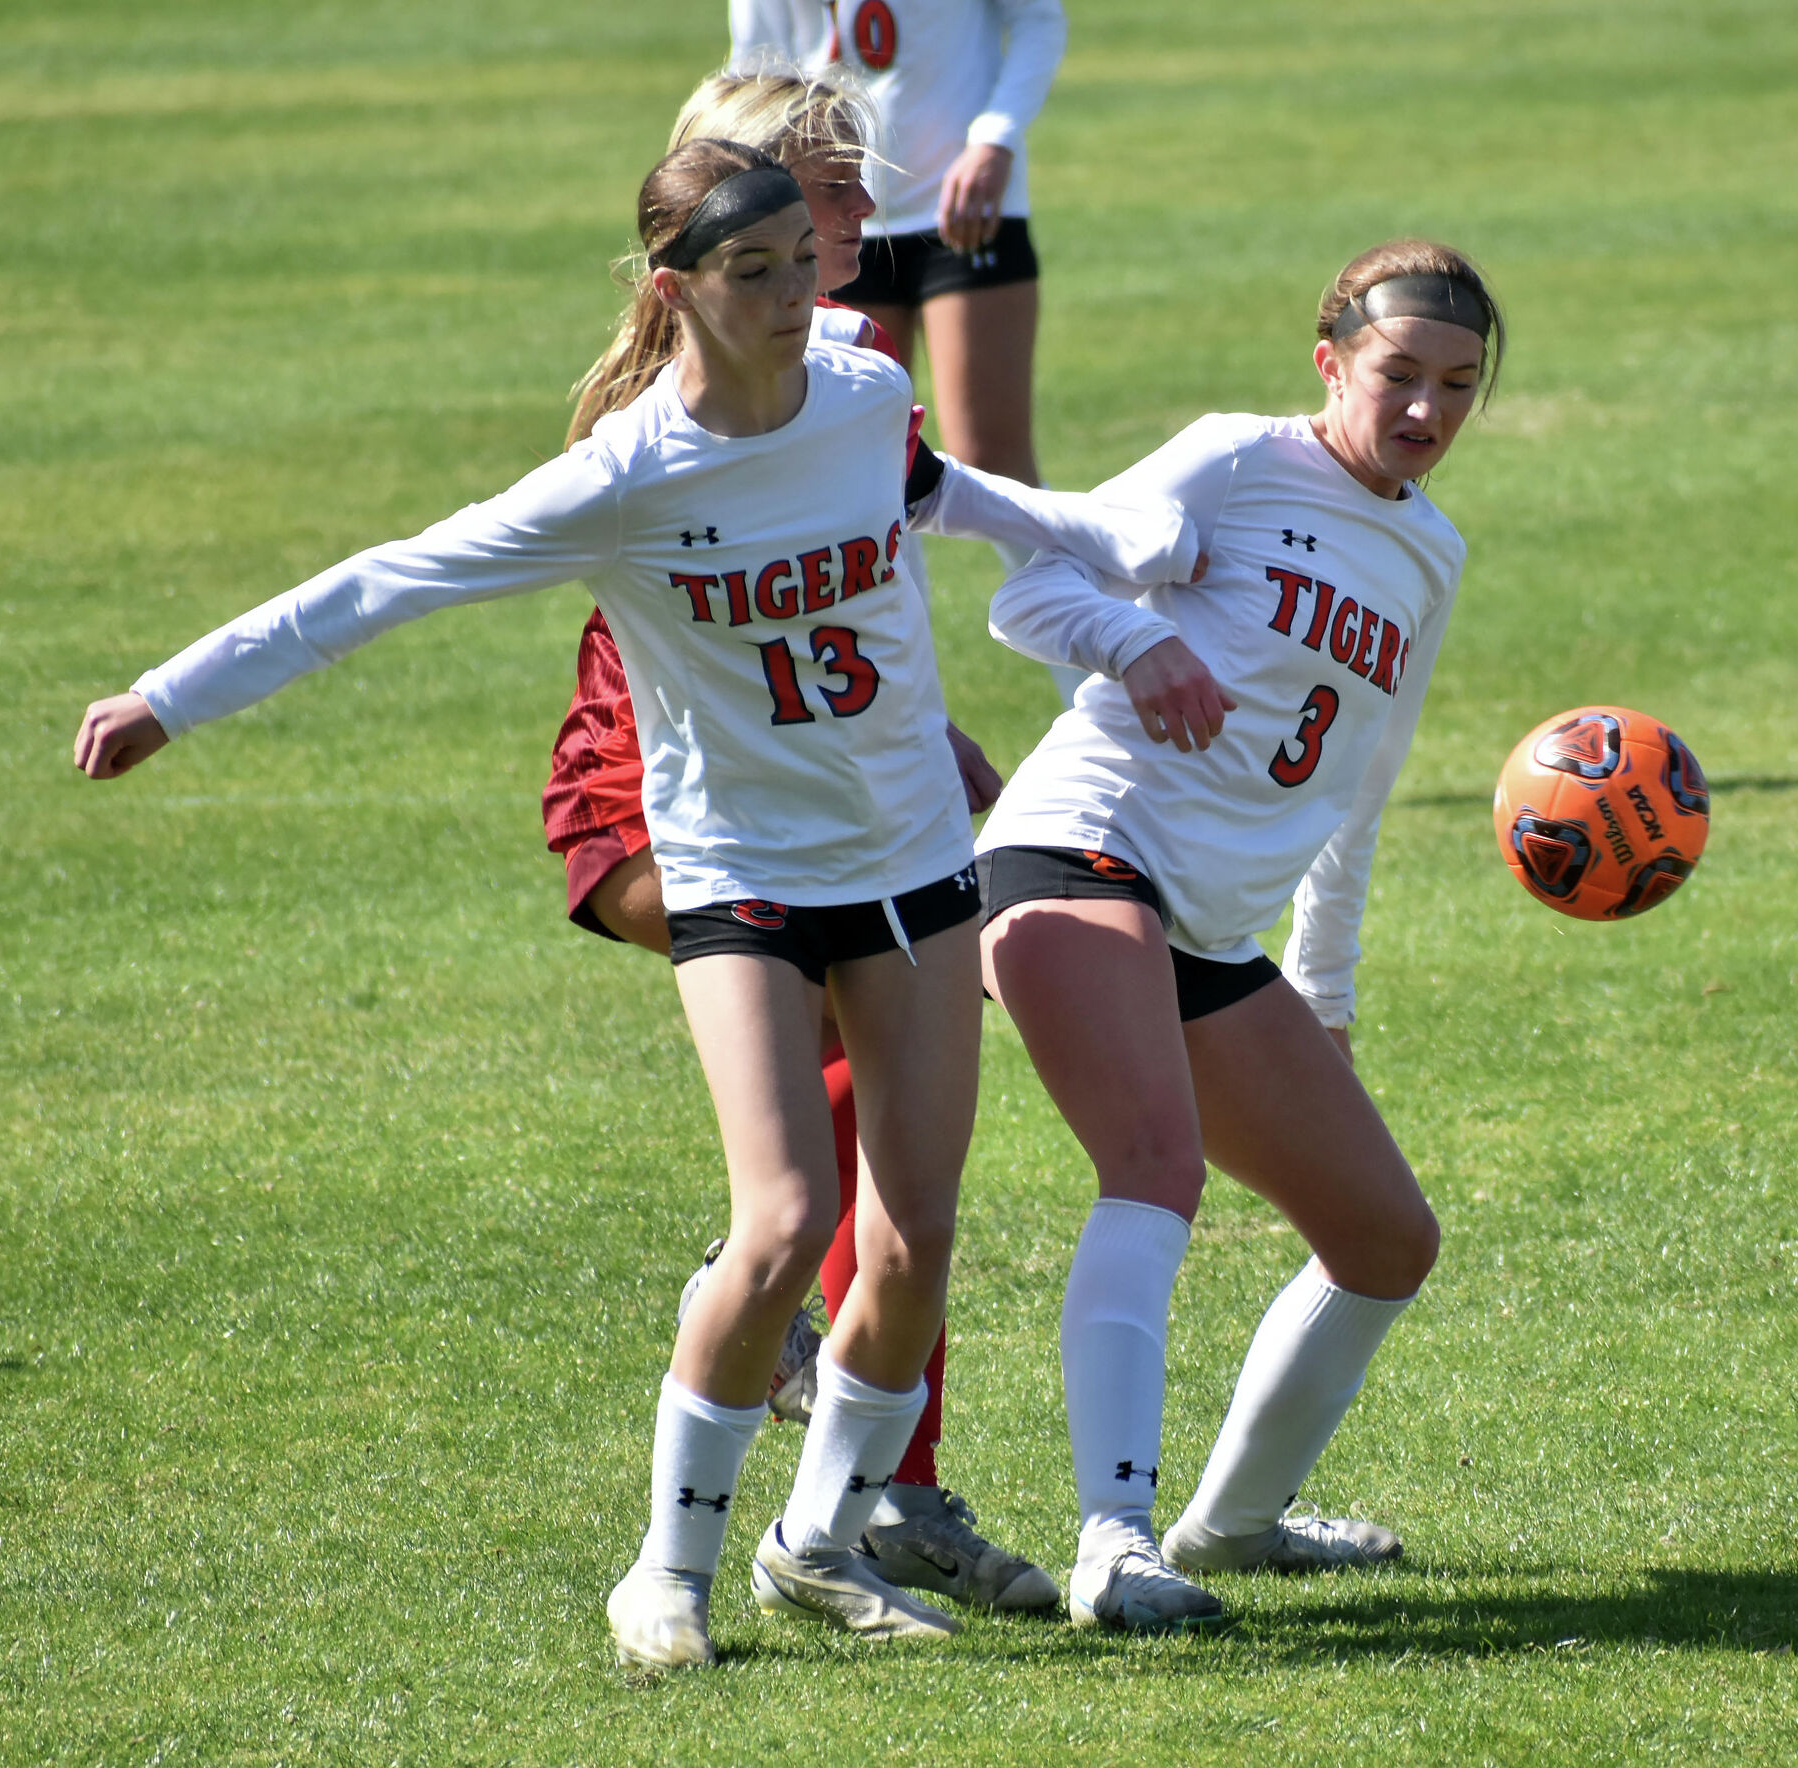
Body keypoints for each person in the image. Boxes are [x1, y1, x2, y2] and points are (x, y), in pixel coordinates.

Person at [544, 64, 1196, 1617]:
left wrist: (928, 733)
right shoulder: (749, 367)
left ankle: (861, 1478)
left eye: (852, 185)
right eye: (833, 186)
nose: (861, 210)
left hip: (823, 790)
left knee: (902, 1156)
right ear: (737, 215)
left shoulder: (855, 365)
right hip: (668, 801)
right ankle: (810, 1423)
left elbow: (892, 573)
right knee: (846, 1125)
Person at [972, 240, 1506, 1632]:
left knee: (1386, 1238)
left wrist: (1323, 987)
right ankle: (1115, 1541)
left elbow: (1360, 788)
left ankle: (1236, 1527)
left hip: (1204, 929)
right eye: (1399, 376)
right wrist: (1135, 645)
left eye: (1460, 386)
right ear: (1329, 360)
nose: (1427, 413)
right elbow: (1027, 589)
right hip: (1077, 849)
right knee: (1155, 1168)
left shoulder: (1429, 554)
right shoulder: (1230, 460)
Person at [729, 0, 1062, 493]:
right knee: (860, 463)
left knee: (989, 458)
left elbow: (1039, 18)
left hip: (966, 203)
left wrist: (996, 137)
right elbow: (754, 70)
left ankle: (1074, 570)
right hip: (824, 220)